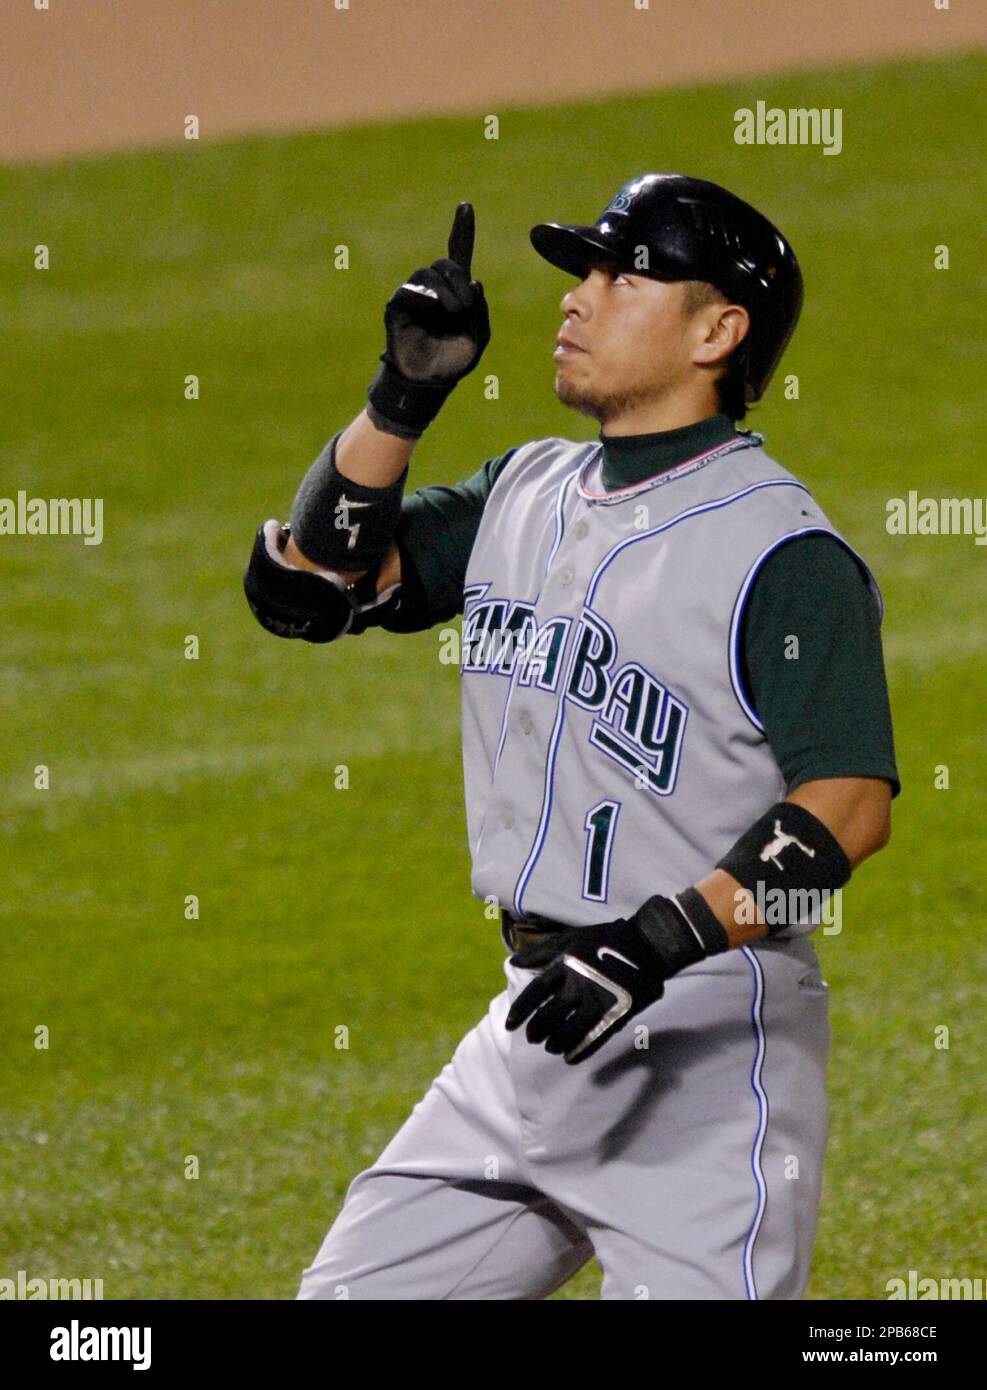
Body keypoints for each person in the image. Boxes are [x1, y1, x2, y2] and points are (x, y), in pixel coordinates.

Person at [244, 173, 900, 1300]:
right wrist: (399, 397)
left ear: (717, 330)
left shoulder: (780, 553)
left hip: (702, 1044)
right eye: (581, 272)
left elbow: (848, 808)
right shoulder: (527, 489)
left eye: (621, 274)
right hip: (534, 1028)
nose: (577, 298)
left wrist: (650, 946)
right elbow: (313, 582)